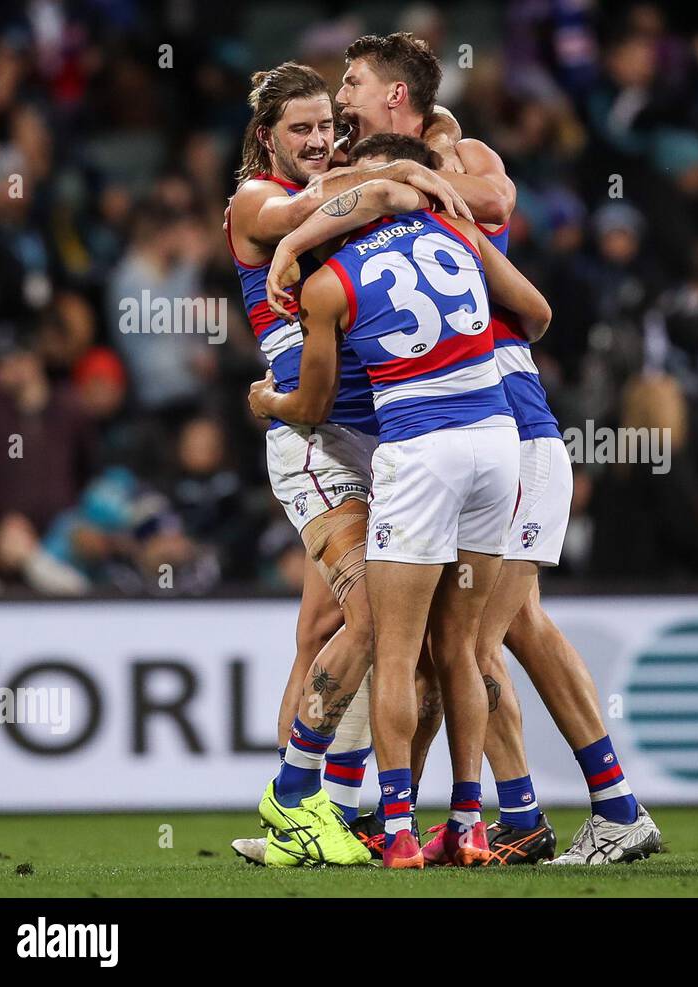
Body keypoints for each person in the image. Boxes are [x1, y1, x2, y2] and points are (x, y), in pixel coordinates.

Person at [249, 138, 551, 868]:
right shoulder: (455, 230)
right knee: (461, 648)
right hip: (497, 442)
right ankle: (473, 823)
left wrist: (266, 400)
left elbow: (314, 403)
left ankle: (398, 830)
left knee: (392, 643)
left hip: (418, 453)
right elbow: (538, 314)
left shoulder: (329, 284)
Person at [225, 62, 469, 866]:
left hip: (388, 439)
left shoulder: (343, 192)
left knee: (397, 640)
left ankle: (331, 812)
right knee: (366, 620)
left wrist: (396, 175)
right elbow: (336, 204)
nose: (320, 140)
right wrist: (395, 169)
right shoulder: (255, 203)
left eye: (327, 124)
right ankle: (293, 799)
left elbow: (392, 199)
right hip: (312, 440)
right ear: (267, 137)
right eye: (300, 128)